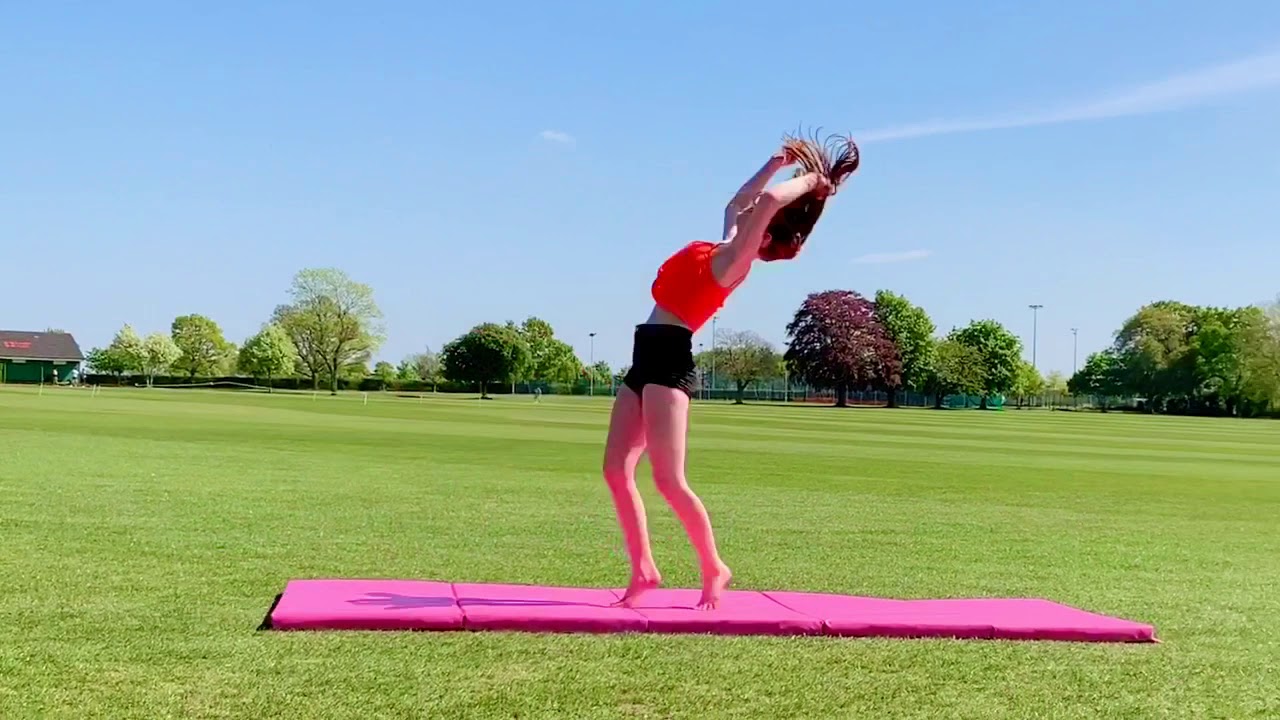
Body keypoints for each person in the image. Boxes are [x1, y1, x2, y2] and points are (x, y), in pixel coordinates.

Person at [603, 133, 859, 610]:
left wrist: (812, 182)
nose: (744, 215)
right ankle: (643, 570)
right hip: (645, 355)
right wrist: (773, 162)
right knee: (616, 469)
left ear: (762, 236)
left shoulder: (734, 262)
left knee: (668, 480)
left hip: (670, 358)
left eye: (754, 220)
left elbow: (764, 201)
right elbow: (743, 199)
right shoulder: (721, 244)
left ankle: (714, 566)